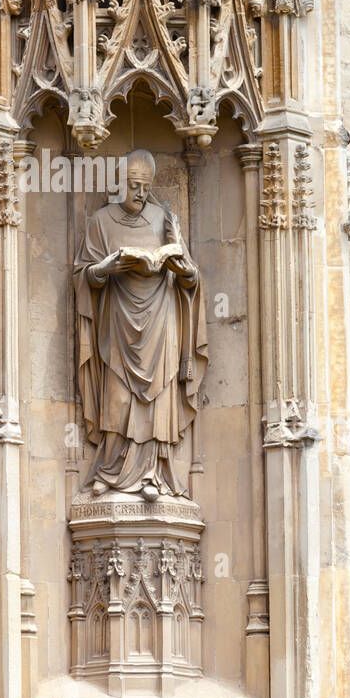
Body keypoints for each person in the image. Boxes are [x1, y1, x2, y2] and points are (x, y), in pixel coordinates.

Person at [74, 149, 207, 500]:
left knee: (159, 394)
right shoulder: (100, 222)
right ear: (120, 183)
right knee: (118, 394)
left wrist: (183, 270)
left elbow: (191, 275)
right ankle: (111, 468)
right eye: (134, 186)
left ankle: (154, 473)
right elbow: (81, 274)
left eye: (145, 188)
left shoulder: (163, 219)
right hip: (118, 320)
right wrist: (103, 270)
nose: (140, 194)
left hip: (161, 319)